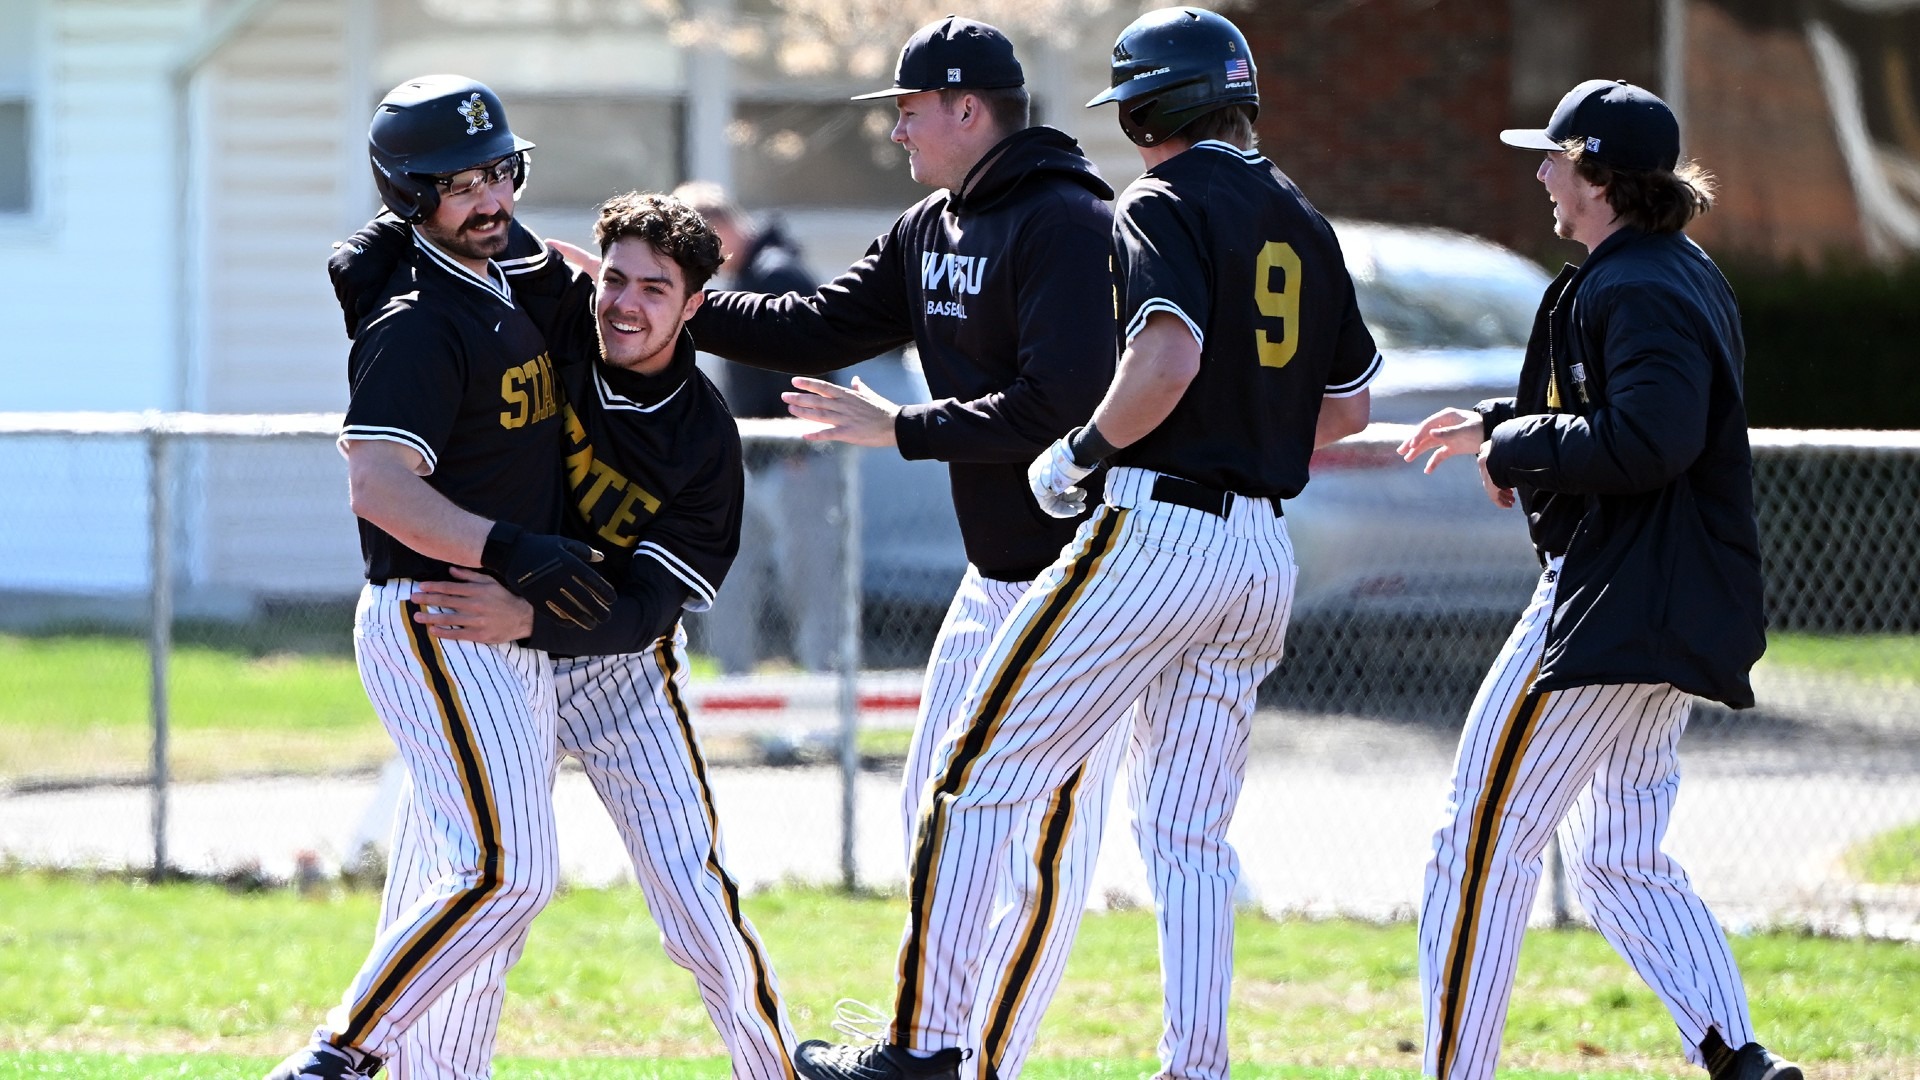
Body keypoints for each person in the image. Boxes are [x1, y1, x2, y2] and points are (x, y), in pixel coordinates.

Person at [791, 9, 1378, 1079]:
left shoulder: (1162, 195)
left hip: (1159, 531)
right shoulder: (1301, 212)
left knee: (974, 775)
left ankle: (924, 1047)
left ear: (1149, 109)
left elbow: (1166, 358)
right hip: (1260, 551)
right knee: (1188, 837)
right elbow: (1347, 407)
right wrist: (1247, 423)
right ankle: (1196, 1067)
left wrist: (1079, 451)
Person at [684, 17, 1133, 1080]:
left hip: (1089, 577)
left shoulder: (1069, 221)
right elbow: (815, 324)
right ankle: (932, 1045)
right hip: (996, 575)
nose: (895, 131)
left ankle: (971, 1060)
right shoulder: (931, 223)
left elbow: (1063, 406)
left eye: (909, 110)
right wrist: (670, 307)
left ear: (969, 109)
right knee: (934, 804)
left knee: (1043, 846)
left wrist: (903, 429)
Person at [329, 192, 804, 1079]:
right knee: (469, 885)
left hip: (621, 669)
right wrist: (372, 252)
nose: (626, 304)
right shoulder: (554, 318)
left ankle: (772, 1067)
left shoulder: (705, 435)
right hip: (497, 655)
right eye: (615, 279)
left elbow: (650, 607)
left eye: (655, 289)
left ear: (694, 306)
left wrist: (533, 615)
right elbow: (462, 216)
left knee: (695, 900)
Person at [1395, 79, 1800, 1080]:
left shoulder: (1642, 285)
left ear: (1600, 176)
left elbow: (1649, 437)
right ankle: (1737, 1057)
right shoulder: (1662, 271)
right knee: (1618, 855)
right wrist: (1501, 426)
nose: (1541, 173)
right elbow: (1614, 407)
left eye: (1554, 157)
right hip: (1655, 601)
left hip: (1613, 606)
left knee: (1480, 839)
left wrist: (1516, 445)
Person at [267, 75, 615, 1080]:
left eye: (501, 171)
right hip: (440, 612)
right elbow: (377, 485)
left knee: (454, 876)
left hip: (494, 622)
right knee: (508, 874)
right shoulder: (417, 319)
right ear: (411, 195)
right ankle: (337, 1055)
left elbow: (595, 287)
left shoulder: (499, 273)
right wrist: (511, 548)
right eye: (460, 184)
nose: (491, 198)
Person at [671, 180, 843, 675]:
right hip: (753, 460)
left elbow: (817, 358)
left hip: (796, 459)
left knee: (811, 583)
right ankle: (736, 691)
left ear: (720, 227)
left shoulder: (777, 273)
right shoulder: (746, 276)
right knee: (731, 576)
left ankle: (827, 698)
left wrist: (798, 441)